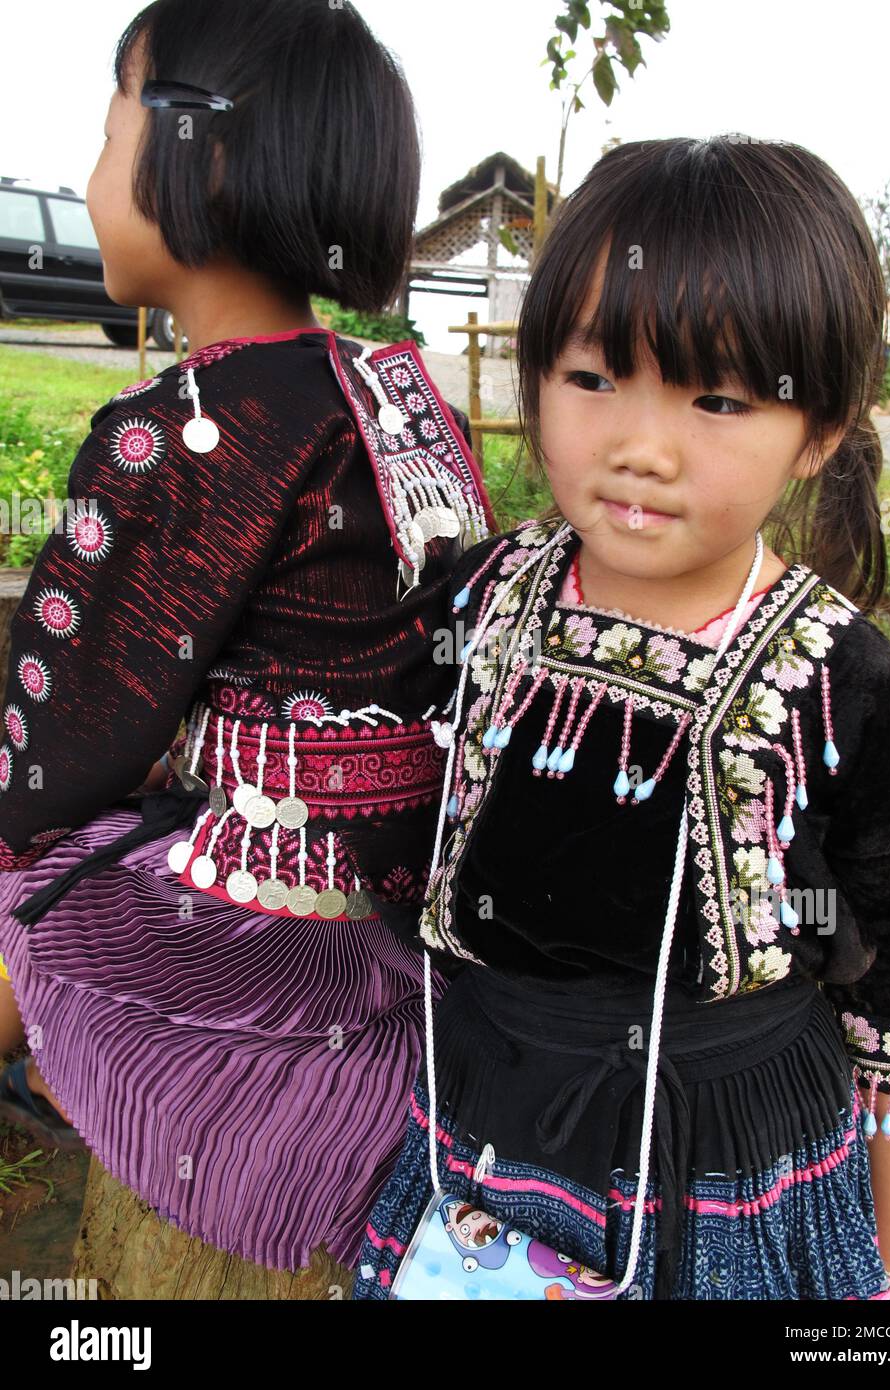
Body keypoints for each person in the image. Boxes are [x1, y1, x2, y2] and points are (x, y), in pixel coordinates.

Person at [352, 136, 890, 1302]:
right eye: (591, 378)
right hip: (477, 1136)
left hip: (726, 1170)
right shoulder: (478, 600)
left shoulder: (842, 683)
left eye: (719, 398)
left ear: (819, 430)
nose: (639, 446)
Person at [0, 0, 495, 1276]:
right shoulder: (399, 388)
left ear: (197, 152)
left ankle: (107, 1062)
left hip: (278, 920)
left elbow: (68, 739)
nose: (86, 174)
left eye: (104, 128)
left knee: (17, 897)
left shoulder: (183, 429)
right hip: (418, 880)